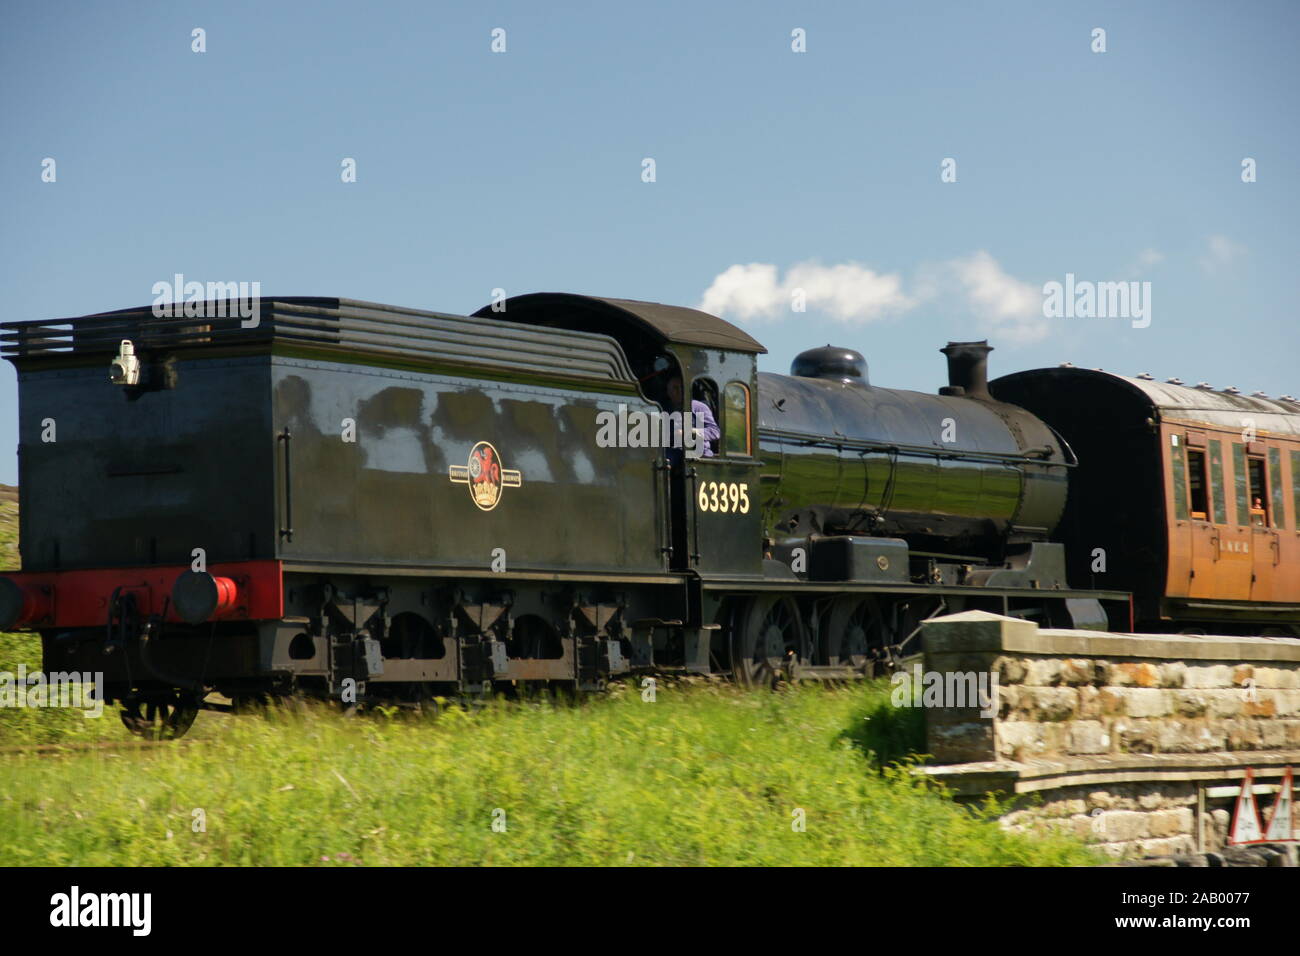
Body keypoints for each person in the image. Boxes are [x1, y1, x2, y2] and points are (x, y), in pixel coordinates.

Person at [665, 375, 720, 457]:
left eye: (682, 387)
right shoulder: (665, 411)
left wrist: (690, 432)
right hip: (675, 455)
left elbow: (715, 432)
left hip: (699, 456)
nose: (680, 390)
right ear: (668, 392)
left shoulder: (698, 407)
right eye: (675, 388)